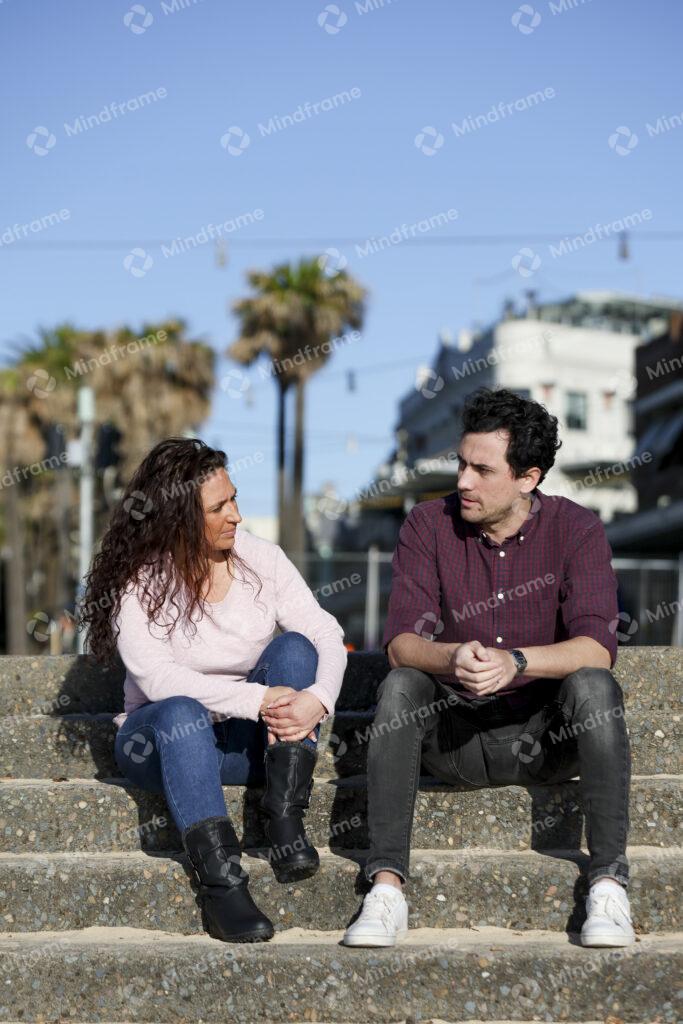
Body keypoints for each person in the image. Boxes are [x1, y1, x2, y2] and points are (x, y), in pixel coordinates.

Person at [343, 387, 634, 949]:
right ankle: (385, 889)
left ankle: (607, 884)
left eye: (481, 469)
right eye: (460, 463)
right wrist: (450, 655)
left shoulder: (578, 529)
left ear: (528, 478)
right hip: (456, 739)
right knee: (402, 683)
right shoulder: (427, 526)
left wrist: (517, 661)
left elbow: (598, 646)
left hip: (548, 736)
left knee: (595, 685)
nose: (463, 481)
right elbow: (401, 644)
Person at [79, 437, 347, 943]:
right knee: (180, 710)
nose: (237, 516)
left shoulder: (261, 559)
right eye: (218, 507)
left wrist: (317, 701)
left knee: (294, 648)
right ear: (177, 518)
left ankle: (284, 821)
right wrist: (257, 699)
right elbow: (157, 678)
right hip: (161, 745)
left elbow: (326, 632)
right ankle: (222, 885)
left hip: (246, 745)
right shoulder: (140, 579)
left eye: (235, 499)